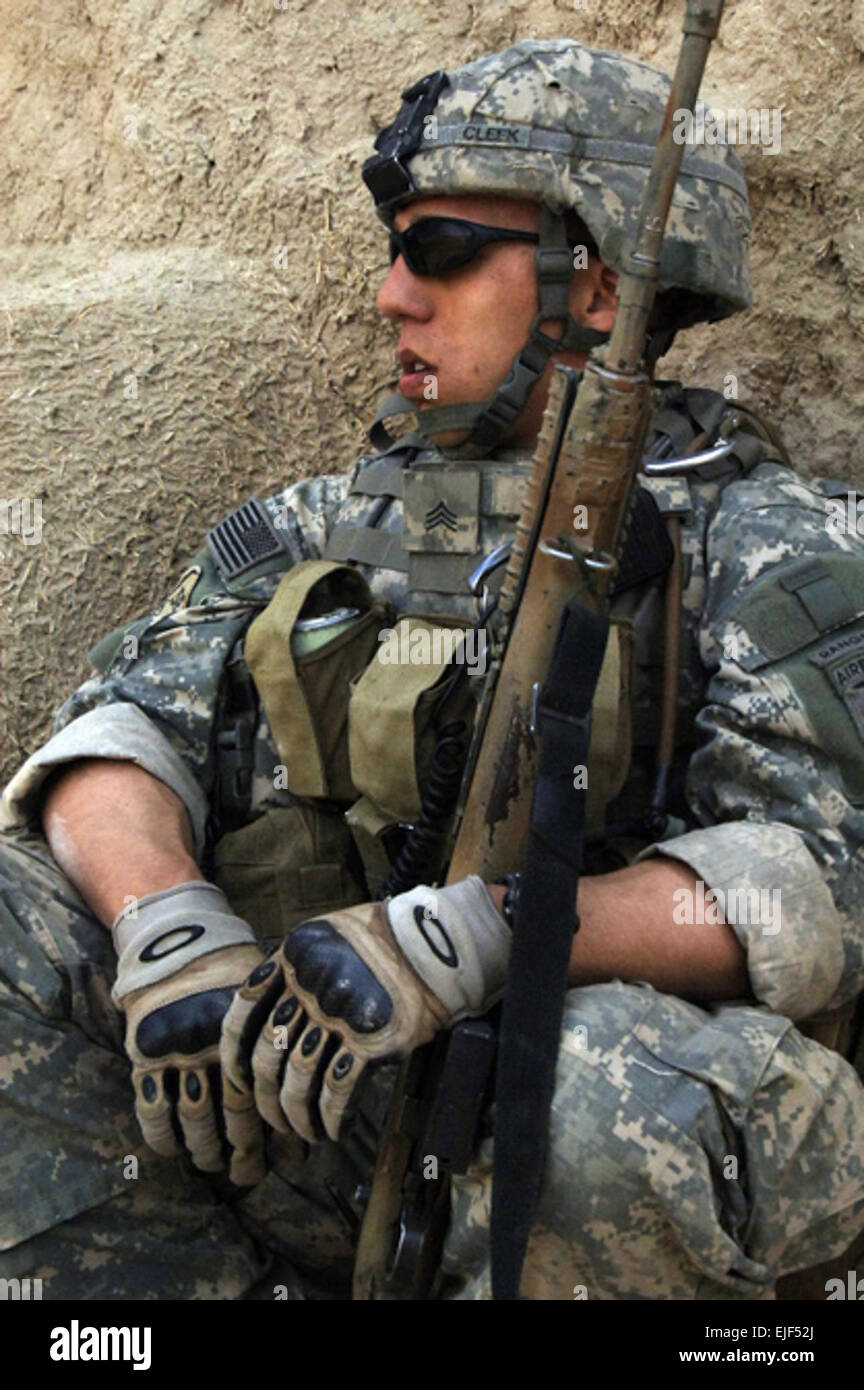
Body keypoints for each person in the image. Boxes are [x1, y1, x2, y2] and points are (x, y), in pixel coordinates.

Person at [1, 37, 863, 1302]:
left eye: (444, 252)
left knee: (591, 1085)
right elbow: (118, 733)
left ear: (603, 289)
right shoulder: (322, 521)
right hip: (298, 1091)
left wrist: (480, 938)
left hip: (564, 1122)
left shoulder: (771, 542)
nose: (395, 296)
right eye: (396, 250)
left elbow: (819, 886)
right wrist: (166, 927)